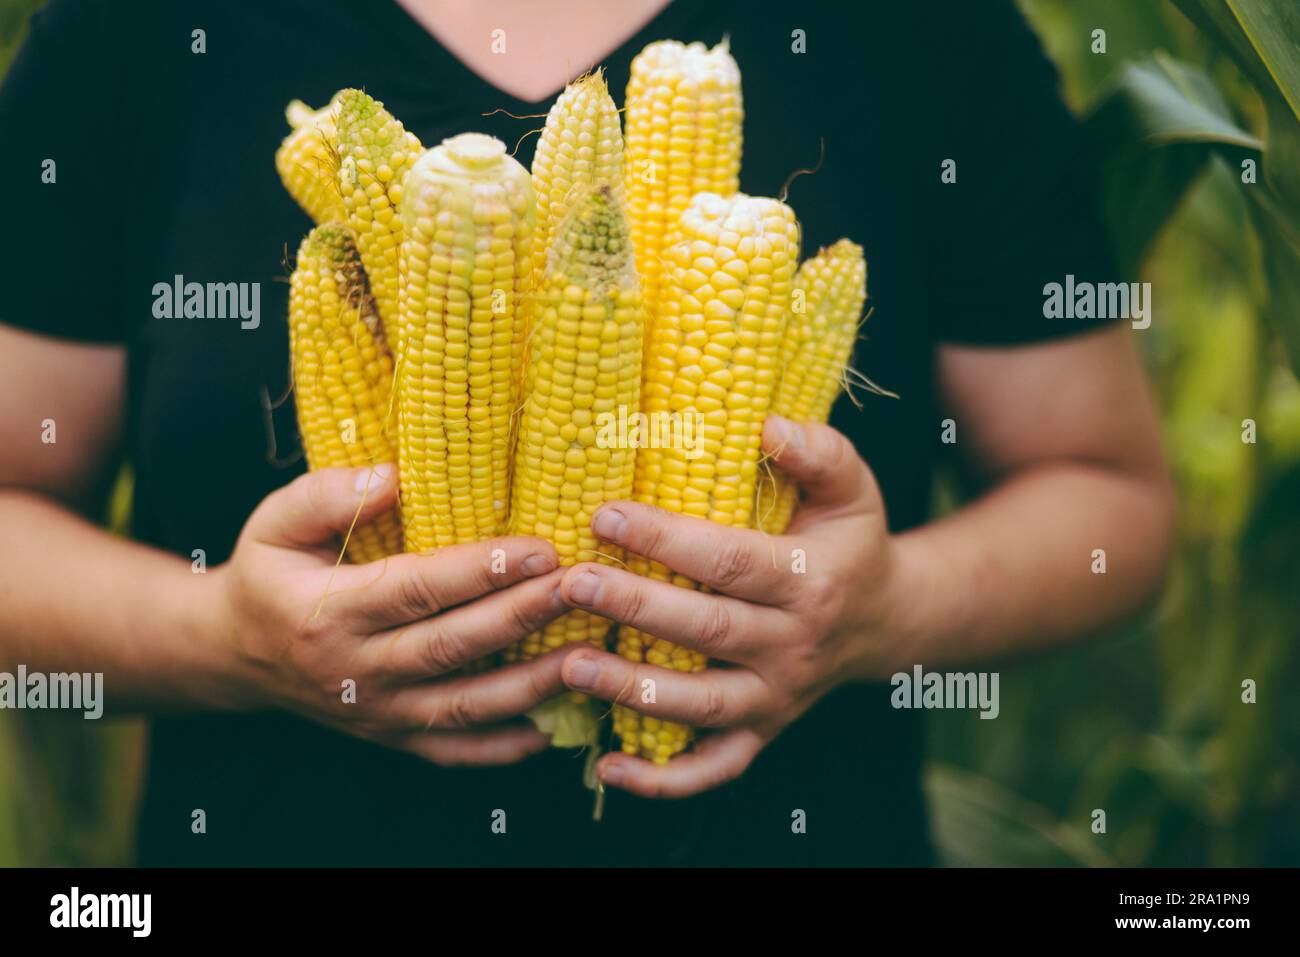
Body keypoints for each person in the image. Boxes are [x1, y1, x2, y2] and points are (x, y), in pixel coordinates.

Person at [0, 0, 1173, 866]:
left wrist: (888, 612)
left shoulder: (928, 30)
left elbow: (1111, 504)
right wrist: (226, 639)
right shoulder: (135, 31)